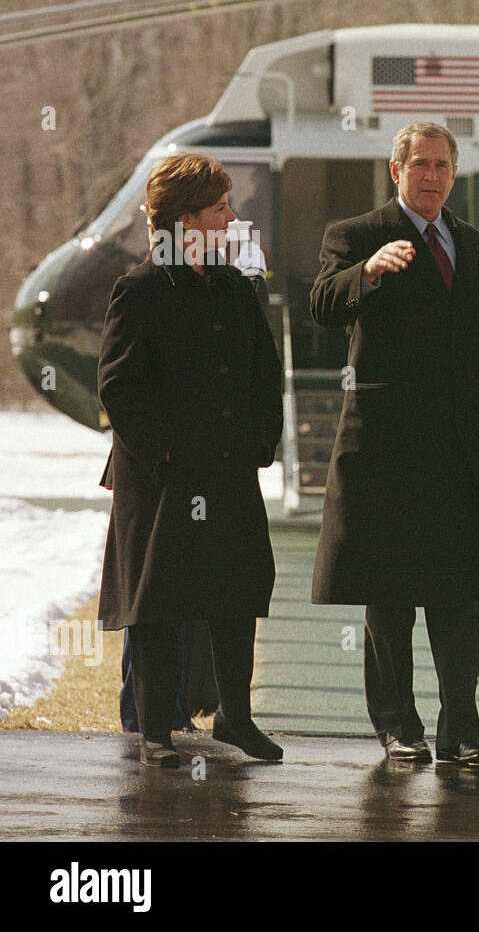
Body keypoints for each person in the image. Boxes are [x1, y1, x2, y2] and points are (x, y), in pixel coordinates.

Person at [309, 121, 479, 767]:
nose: (430, 176)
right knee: (388, 597)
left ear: (455, 173)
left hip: (459, 457)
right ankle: (398, 724)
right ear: (396, 171)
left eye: (441, 165)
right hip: (386, 454)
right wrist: (365, 273)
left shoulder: (475, 249)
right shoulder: (357, 236)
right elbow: (323, 302)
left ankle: (461, 728)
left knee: (460, 600)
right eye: (418, 164)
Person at [97, 152, 283, 767]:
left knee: (236, 589)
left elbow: (265, 375)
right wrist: (166, 453)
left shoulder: (234, 287)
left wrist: (262, 443)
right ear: (184, 222)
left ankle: (235, 717)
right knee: (159, 600)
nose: (232, 218)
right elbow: (120, 387)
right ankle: (155, 732)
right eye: (219, 209)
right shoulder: (142, 288)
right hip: (164, 479)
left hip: (229, 469)